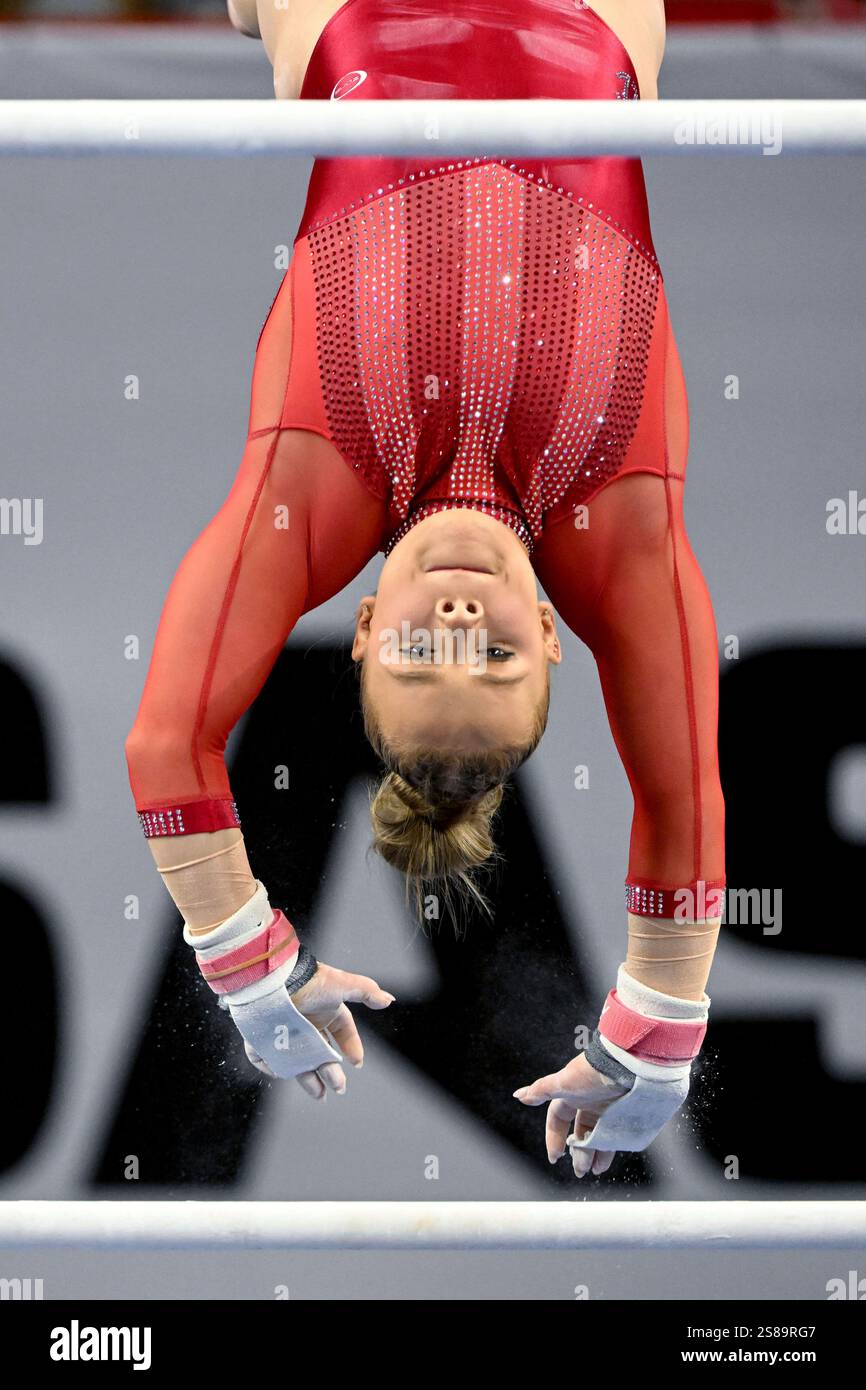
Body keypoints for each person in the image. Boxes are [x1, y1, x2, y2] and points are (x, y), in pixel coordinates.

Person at [125, 0, 725, 1175]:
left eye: (418, 653)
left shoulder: (313, 487)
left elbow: (167, 742)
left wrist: (247, 959)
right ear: (552, 633)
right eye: (492, 654)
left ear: (356, 629)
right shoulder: (623, 534)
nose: (458, 620)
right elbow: (683, 798)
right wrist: (656, 1029)